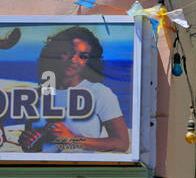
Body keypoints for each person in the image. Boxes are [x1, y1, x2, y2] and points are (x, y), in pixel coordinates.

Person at [19, 25, 130, 154]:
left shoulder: (99, 93)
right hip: (42, 172)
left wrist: (72, 140)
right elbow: (33, 148)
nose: (73, 60)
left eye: (83, 56)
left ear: (89, 61)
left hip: (79, 173)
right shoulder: (39, 94)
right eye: (68, 52)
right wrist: (28, 141)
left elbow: (121, 143)